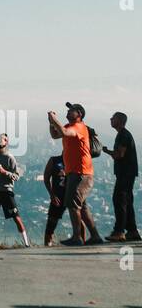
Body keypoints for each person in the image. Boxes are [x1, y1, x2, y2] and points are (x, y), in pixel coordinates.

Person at [48, 103, 104, 246]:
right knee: (81, 206)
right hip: (76, 172)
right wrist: (51, 123)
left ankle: (77, 237)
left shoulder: (78, 127)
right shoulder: (69, 126)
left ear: (78, 114)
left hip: (80, 173)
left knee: (72, 204)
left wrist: (54, 119)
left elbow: (64, 132)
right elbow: (55, 135)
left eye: (71, 110)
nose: (67, 112)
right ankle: (95, 236)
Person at [0, 133, 29, 249]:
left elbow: (16, 176)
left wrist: (4, 172)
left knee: (15, 216)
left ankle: (26, 243)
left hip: (6, 191)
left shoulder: (10, 158)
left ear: (6, 142)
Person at [102, 112, 140, 243]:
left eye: (114, 118)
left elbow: (120, 155)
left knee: (119, 200)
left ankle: (119, 232)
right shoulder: (123, 134)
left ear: (120, 121)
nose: (111, 119)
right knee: (127, 201)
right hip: (128, 173)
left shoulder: (123, 135)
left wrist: (108, 152)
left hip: (125, 173)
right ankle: (132, 231)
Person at [42, 145, 67, 247]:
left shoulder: (74, 162)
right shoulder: (54, 160)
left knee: (78, 219)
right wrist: (52, 194)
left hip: (70, 195)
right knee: (52, 222)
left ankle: (81, 241)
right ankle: (48, 245)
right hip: (57, 196)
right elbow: (46, 178)